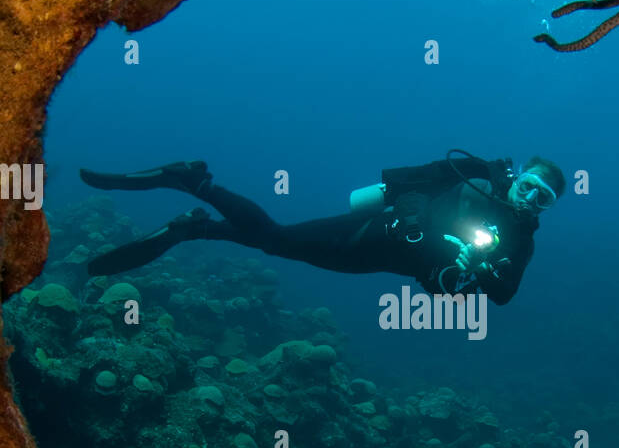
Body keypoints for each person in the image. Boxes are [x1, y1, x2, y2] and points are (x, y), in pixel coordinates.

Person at [79, 148, 565, 305]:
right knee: (276, 239)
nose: (531, 198)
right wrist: (414, 224)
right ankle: (195, 187)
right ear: (518, 175)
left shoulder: (522, 240)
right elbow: (410, 182)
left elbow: (503, 295)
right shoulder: (473, 176)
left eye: (543, 199)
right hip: (378, 232)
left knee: (278, 244)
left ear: (546, 208)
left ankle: (196, 223)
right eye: (530, 185)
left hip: (378, 263)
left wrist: (476, 268)